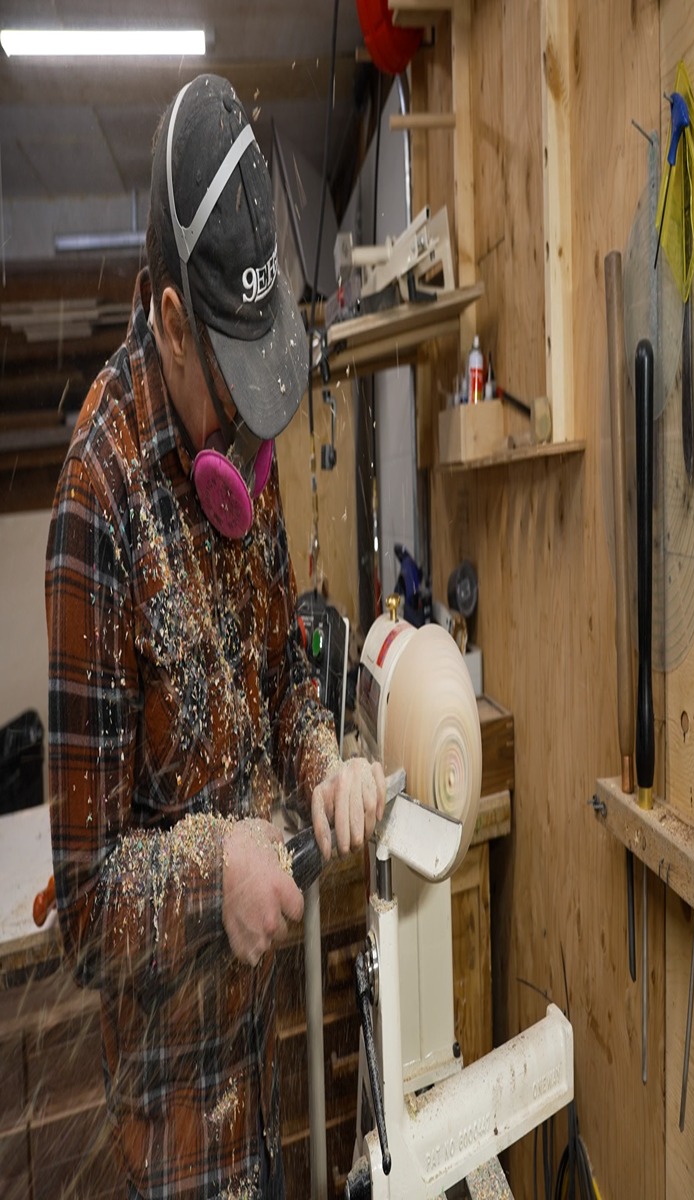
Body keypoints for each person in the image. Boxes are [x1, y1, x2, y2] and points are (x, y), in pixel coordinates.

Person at [45, 73, 385, 1200]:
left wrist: (322, 758)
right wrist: (213, 863)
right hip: (171, 1114)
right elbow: (86, 913)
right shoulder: (95, 506)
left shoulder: (240, 450)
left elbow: (286, 666)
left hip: (260, 1054)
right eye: (227, 383)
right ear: (173, 322)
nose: (245, 423)